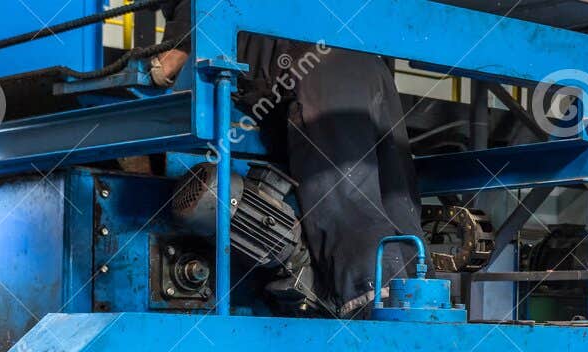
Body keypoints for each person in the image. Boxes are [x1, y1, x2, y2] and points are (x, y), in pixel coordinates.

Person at [153, 3, 426, 317]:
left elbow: (171, 63)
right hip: (367, 66)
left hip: (312, 72)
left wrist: (151, 68)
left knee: (346, 202)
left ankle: (369, 313)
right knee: (398, 200)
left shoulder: (190, 6)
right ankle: (419, 304)